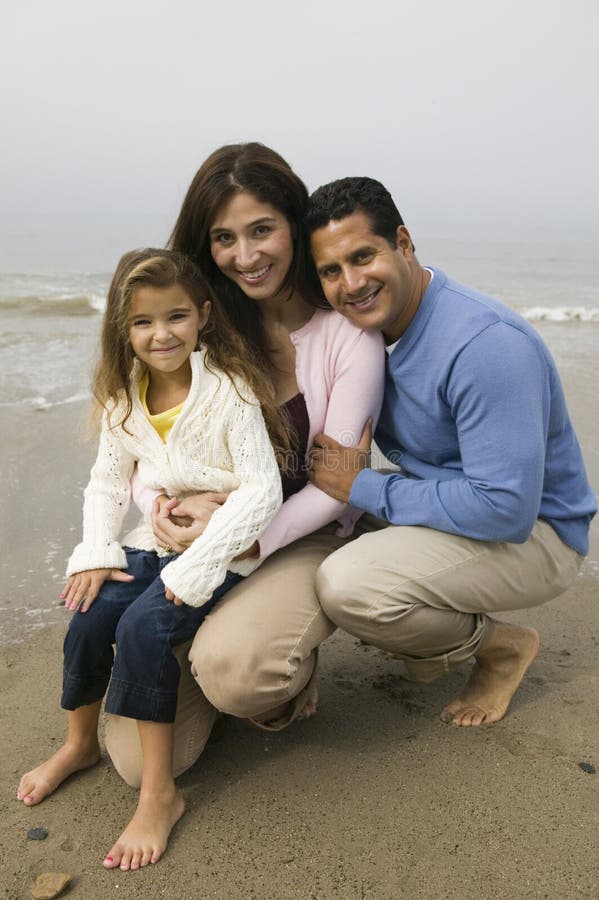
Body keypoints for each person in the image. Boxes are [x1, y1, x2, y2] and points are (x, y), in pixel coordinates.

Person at [104, 144, 386, 785]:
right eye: (224, 238)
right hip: (200, 538)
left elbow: (334, 488)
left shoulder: (349, 337)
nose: (246, 255)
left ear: (294, 223)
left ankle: (268, 662)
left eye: (262, 230)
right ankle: (204, 649)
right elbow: (148, 439)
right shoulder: (198, 323)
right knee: (138, 762)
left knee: (239, 676)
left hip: (300, 532)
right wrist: (161, 509)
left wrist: (245, 536)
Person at [17, 249, 284, 871]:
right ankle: (80, 743)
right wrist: (96, 551)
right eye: (143, 322)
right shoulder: (123, 398)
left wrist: (199, 565)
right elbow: (109, 483)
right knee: (86, 613)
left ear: (203, 318)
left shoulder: (231, 392)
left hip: (220, 553)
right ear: (123, 327)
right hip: (151, 542)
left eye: (175, 317)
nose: (160, 334)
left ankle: (160, 795)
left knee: (144, 626)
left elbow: (262, 491)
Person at [305, 176, 596, 727]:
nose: (352, 283)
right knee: (315, 520)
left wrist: (363, 486)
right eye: (330, 271)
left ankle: (501, 648)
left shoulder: (484, 345)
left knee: (350, 586)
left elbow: (504, 509)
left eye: (363, 256)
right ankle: (420, 642)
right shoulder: (365, 335)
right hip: (462, 506)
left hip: (538, 532)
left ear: (405, 243)